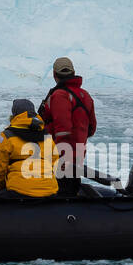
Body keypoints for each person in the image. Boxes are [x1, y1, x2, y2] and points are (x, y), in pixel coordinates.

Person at [38, 57, 96, 196]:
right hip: (78, 155)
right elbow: (92, 128)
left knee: (61, 193)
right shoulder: (85, 95)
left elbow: (63, 130)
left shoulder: (59, 95)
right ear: (73, 72)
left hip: (60, 157)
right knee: (72, 191)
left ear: (54, 75)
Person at [0, 98, 58, 198]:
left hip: (18, 190)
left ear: (14, 115)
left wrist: (1, 186)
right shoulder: (47, 136)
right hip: (49, 190)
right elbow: (55, 164)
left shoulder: (7, 136)